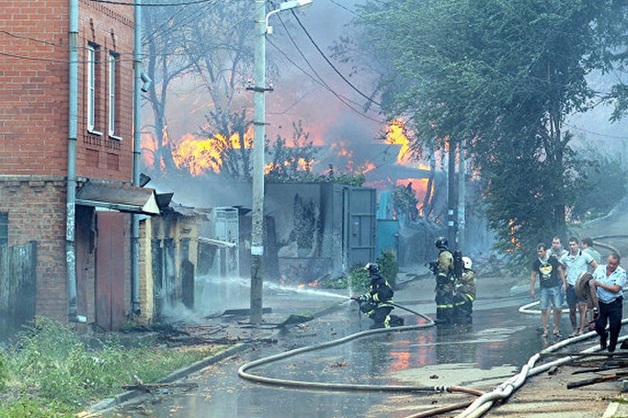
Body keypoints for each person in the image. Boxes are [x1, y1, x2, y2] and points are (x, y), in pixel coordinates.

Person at [560, 237, 598, 336]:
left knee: (582, 308)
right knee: (572, 310)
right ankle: (574, 330)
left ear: (578, 245)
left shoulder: (585, 255)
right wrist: (564, 280)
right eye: (570, 245)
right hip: (571, 286)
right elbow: (560, 268)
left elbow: (595, 266)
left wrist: (590, 279)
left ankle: (581, 330)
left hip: (582, 286)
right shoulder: (565, 257)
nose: (572, 247)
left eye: (574, 244)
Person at [590, 253, 627, 353]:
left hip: (614, 303)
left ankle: (611, 351)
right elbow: (591, 283)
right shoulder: (599, 269)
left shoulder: (622, 273)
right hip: (601, 303)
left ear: (618, 263)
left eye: (614, 264)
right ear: (607, 261)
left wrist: (601, 284)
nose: (611, 266)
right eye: (610, 263)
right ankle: (603, 335)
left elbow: (616, 289)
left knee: (615, 328)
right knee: (598, 326)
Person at [530, 243, 567, 338]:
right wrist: (532, 289)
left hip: (555, 286)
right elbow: (533, 275)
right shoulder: (536, 262)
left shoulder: (553, 260)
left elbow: (560, 270)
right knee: (543, 308)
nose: (539, 253)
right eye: (538, 251)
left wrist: (564, 283)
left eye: (541, 251)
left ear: (546, 251)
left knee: (558, 308)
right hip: (544, 288)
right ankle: (545, 329)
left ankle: (556, 328)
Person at [352, 262, 400, 328]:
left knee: (379, 319)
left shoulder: (381, 282)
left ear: (372, 271)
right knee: (364, 308)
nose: (368, 273)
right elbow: (372, 292)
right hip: (377, 303)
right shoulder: (374, 281)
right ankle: (380, 320)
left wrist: (370, 299)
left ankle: (392, 320)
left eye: (368, 271)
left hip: (385, 304)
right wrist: (362, 297)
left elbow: (382, 296)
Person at [431, 236, 456, 325]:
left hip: (445, 281)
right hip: (448, 280)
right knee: (447, 299)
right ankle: (448, 318)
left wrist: (441, 281)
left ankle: (443, 318)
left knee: (442, 299)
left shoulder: (444, 254)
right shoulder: (447, 254)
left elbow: (444, 267)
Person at [453, 256, 476, 324]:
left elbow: (463, 278)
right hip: (464, 296)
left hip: (467, 296)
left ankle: (463, 320)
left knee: (458, 300)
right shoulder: (465, 273)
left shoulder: (470, 274)